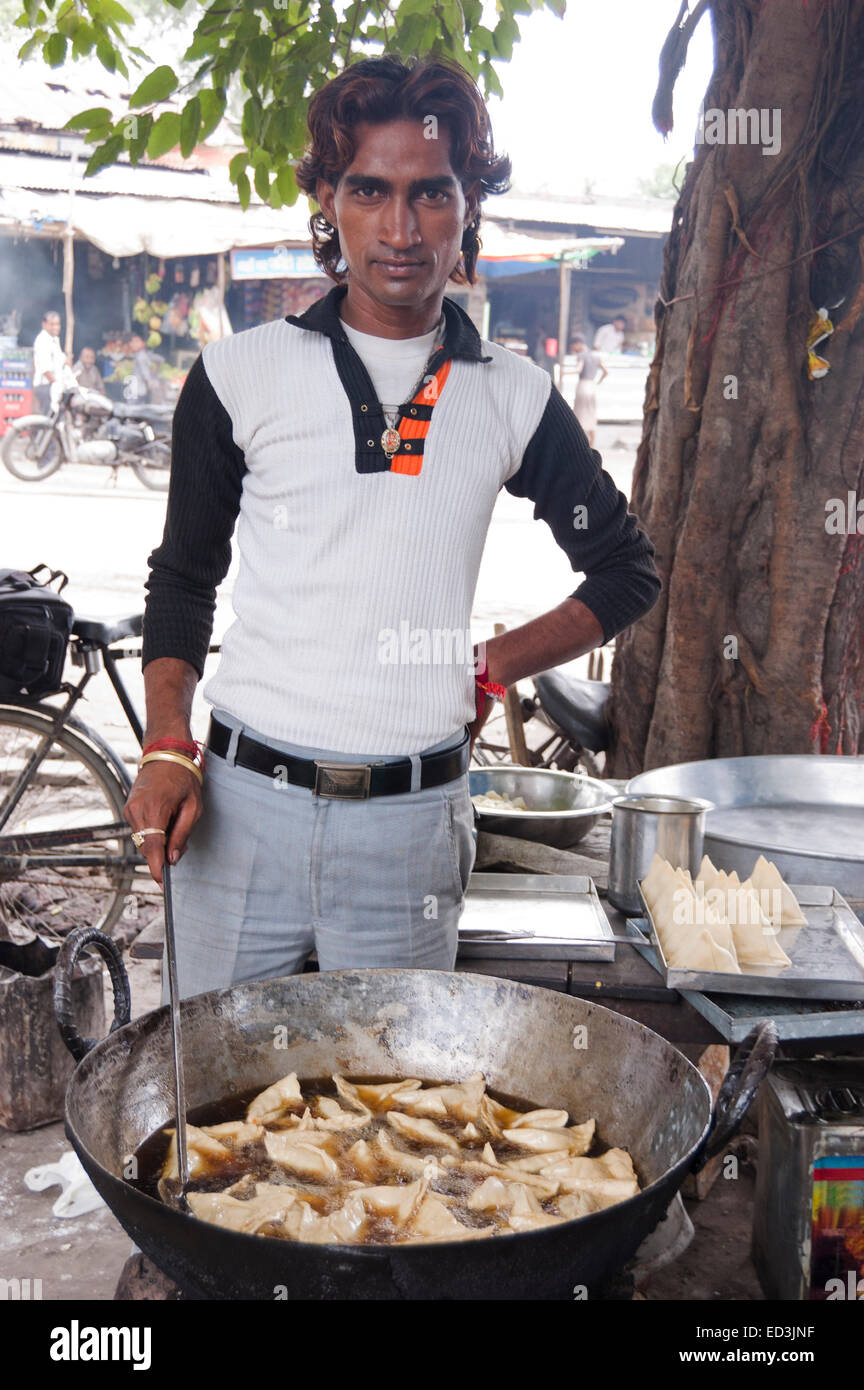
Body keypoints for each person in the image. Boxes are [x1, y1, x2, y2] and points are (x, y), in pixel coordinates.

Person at [125, 54, 661, 1001]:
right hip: (240, 813)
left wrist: (492, 665)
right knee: (207, 1115)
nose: (402, 229)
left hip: (410, 828)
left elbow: (625, 569)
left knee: (384, 1121)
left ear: (468, 207)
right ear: (329, 202)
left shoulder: (513, 396)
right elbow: (182, 580)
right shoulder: (238, 375)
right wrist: (168, 743)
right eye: (370, 191)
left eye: (431, 193)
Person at [569, 335, 608, 447]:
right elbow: (606, 372)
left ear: (578, 344)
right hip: (592, 386)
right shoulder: (595, 356)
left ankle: (579, 442)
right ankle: (592, 443)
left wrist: (563, 372)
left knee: (580, 414)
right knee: (591, 413)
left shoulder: (581, 356)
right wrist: (598, 382)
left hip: (583, 386)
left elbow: (578, 370)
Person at [32, 310, 68, 414]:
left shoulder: (54, 340)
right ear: (44, 324)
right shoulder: (43, 341)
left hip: (53, 386)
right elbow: (46, 370)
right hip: (46, 387)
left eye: (57, 324)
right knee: (48, 419)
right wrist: (57, 385)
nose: (55, 327)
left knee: (57, 418)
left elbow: (61, 361)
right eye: (52, 324)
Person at [127, 334, 167, 404]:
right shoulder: (140, 355)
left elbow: (145, 375)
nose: (133, 344)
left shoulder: (141, 356)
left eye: (136, 341)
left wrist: (148, 387)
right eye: (132, 341)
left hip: (139, 391)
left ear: (143, 343)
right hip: (138, 390)